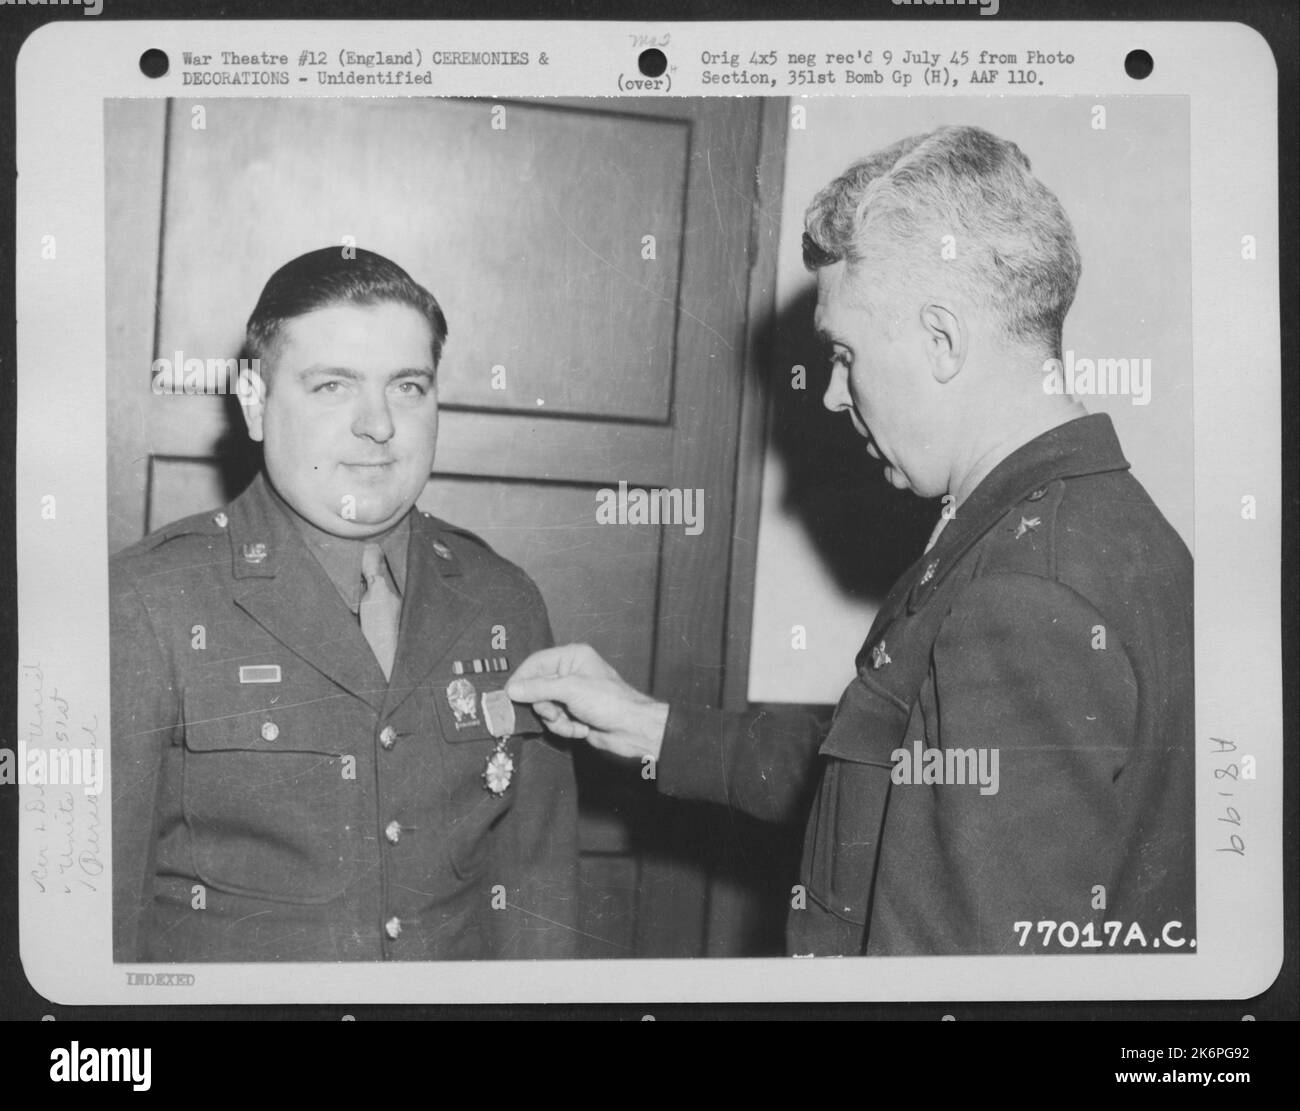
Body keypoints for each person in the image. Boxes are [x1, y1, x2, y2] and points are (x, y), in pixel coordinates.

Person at [507, 125, 1195, 957]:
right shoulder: (1098, 529)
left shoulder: (1025, 593)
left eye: (844, 354)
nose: (833, 395)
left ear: (942, 341)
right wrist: (647, 725)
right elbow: (889, 772)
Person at [111, 247, 578, 962]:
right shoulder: (150, 602)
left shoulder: (501, 600)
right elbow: (100, 929)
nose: (380, 424)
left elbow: (536, 896)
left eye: (409, 387)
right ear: (257, 404)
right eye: (333, 386)